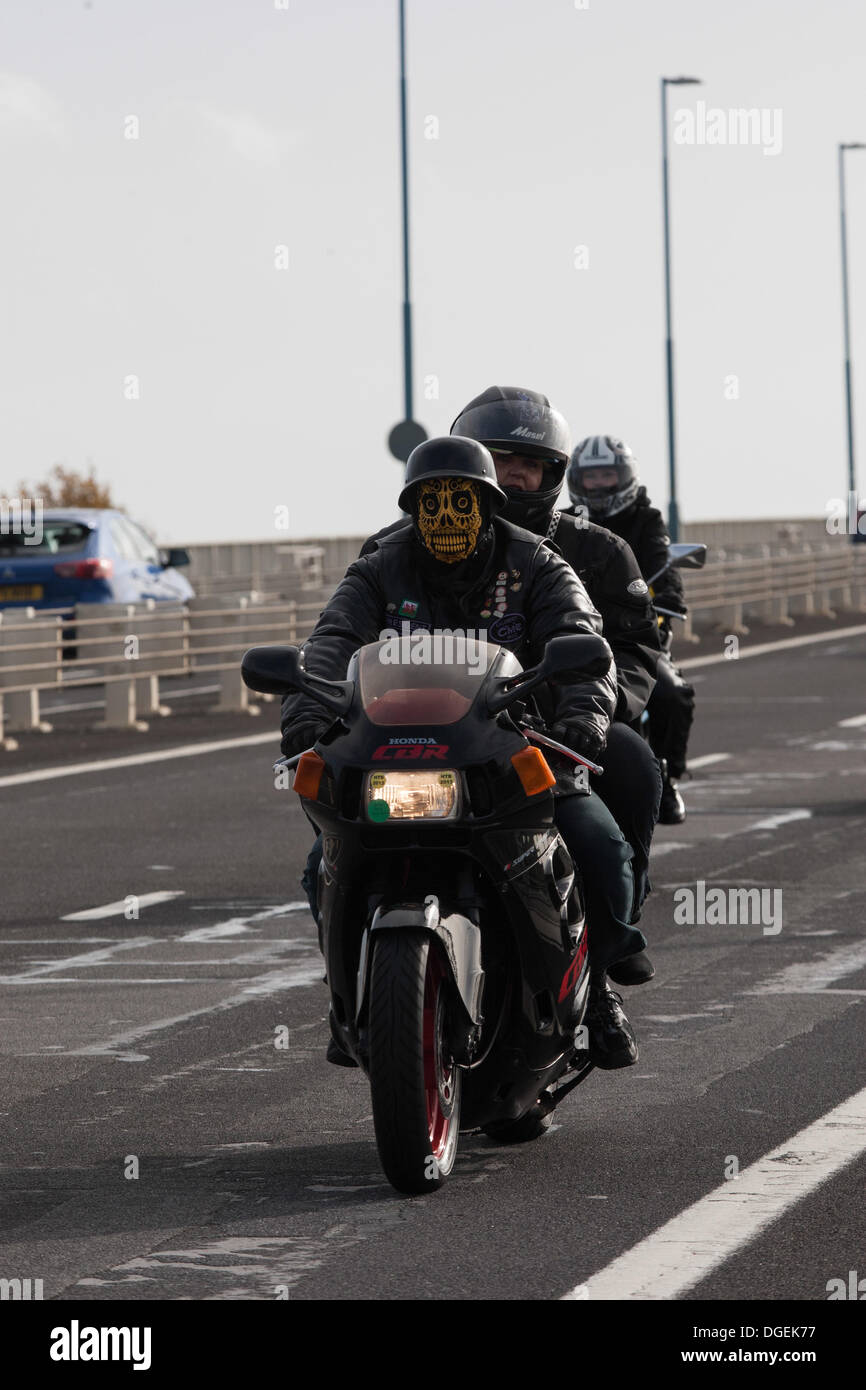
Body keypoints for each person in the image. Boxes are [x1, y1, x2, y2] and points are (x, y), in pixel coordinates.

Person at [281, 436, 644, 1069]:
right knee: (324, 862)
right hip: (392, 755)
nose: (446, 516)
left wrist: (582, 714)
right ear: (410, 508)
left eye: (462, 500)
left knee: (598, 846)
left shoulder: (538, 563)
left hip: (515, 750)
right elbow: (333, 640)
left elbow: (582, 640)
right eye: (430, 502)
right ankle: (352, 995)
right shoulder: (377, 566)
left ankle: (601, 990)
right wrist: (307, 711)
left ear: (489, 503)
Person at [566, 435, 696, 823]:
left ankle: (669, 774)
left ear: (625, 476)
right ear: (576, 480)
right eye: (592, 477)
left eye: (609, 474)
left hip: (633, 634)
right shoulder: (566, 521)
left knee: (673, 694)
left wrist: (668, 597)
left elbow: (663, 565)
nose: (601, 484)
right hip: (577, 634)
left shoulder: (646, 519)